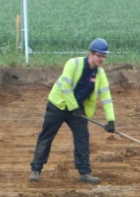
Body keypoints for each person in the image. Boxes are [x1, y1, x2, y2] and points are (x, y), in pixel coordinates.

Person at [29, 39, 116, 185]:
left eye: (103, 56)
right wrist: (73, 106)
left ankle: (84, 173)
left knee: (82, 138)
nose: (101, 59)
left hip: (77, 111)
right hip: (58, 105)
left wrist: (111, 121)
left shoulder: (100, 74)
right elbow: (65, 86)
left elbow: (106, 98)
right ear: (91, 54)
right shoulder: (73, 64)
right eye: (99, 55)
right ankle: (36, 170)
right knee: (46, 136)